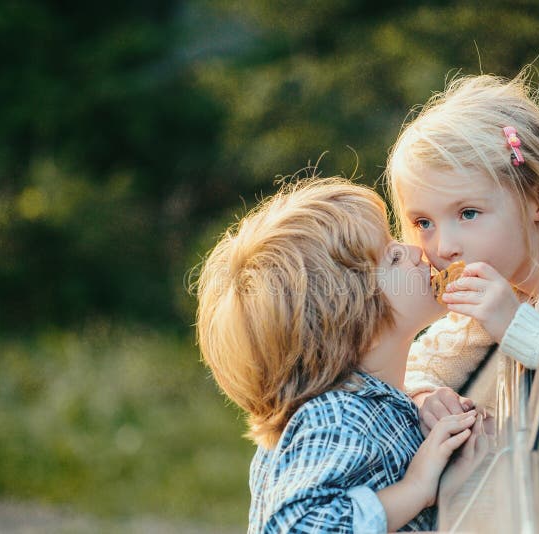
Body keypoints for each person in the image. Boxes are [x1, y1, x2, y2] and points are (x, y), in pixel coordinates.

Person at [195, 177, 478, 533]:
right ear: (358, 321)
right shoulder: (337, 416)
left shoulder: (364, 405)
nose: (414, 250)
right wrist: (415, 489)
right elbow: (297, 527)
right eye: (393, 256)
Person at [385, 74, 539, 439]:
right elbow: (421, 365)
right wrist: (426, 397)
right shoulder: (497, 289)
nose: (443, 247)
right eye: (423, 222)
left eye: (468, 213)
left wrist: (515, 324)